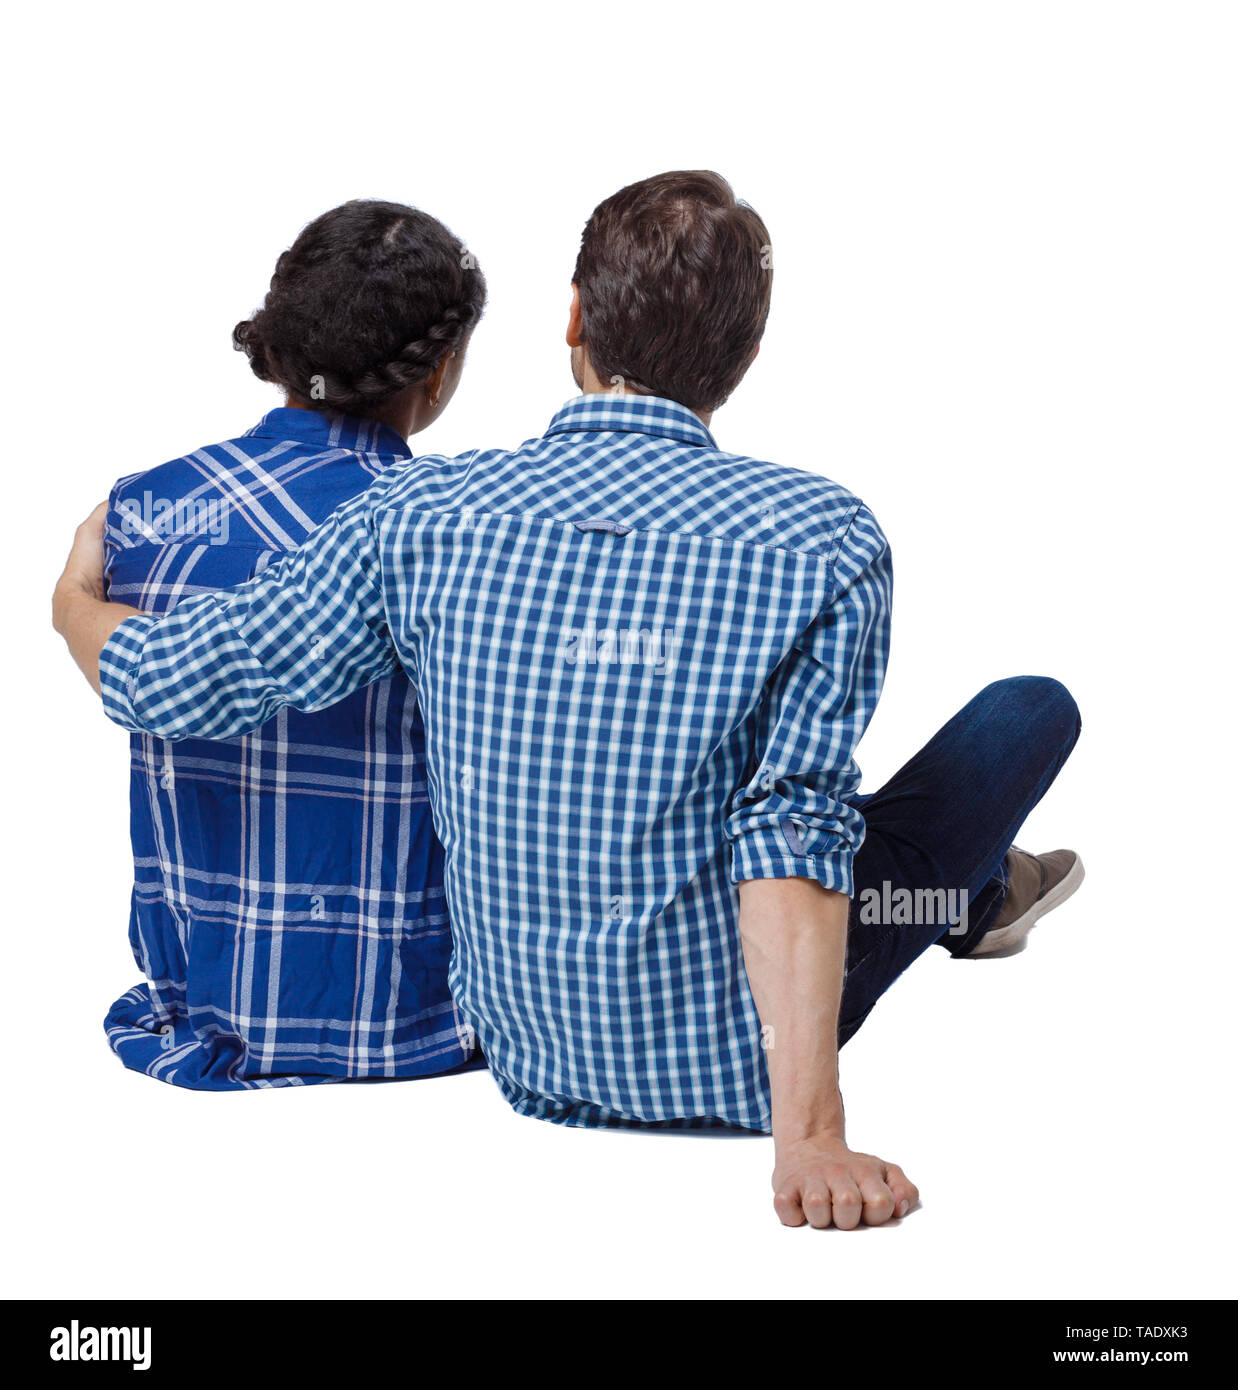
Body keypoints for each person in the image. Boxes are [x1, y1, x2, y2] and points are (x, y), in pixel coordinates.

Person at [55, 171, 1082, 1226]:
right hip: (736, 1061)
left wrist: (71, 601)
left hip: (524, 1060)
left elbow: (170, 676)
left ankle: (967, 895)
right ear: (744, 358)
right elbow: (789, 834)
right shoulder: (821, 534)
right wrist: (808, 1139)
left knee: (802, 811)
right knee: (1025, 712)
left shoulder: (423, 510)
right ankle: (966, 896)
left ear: (575, 321)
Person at [89, 199, 487, 1088]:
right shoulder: (460, 535)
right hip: (418, 1029)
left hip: (202, 1011)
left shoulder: (141, 511)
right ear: (440, 371)